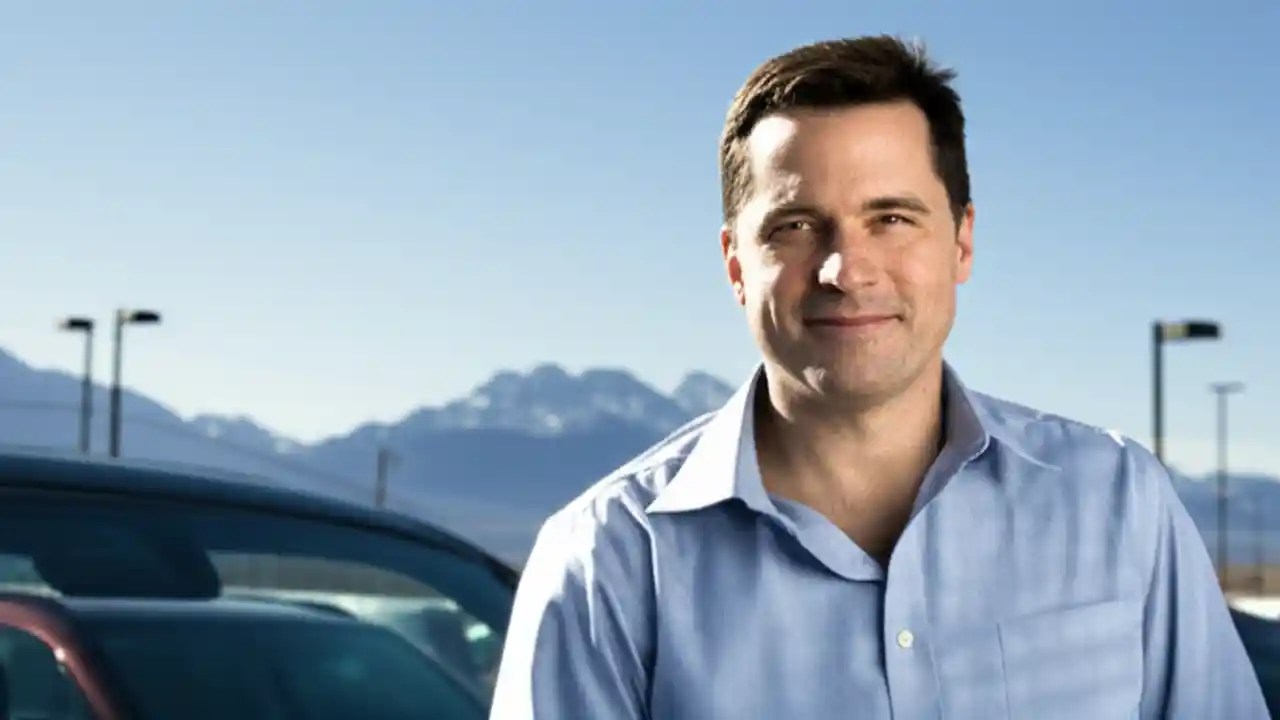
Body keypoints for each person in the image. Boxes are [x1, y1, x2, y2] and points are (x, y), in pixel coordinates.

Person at [488, 35, 1268, 719]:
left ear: (962, 243)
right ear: (735, 264)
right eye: (796, 226)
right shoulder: (606, 566)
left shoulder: (1119, 505)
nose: (844, 269)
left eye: (890, 218)